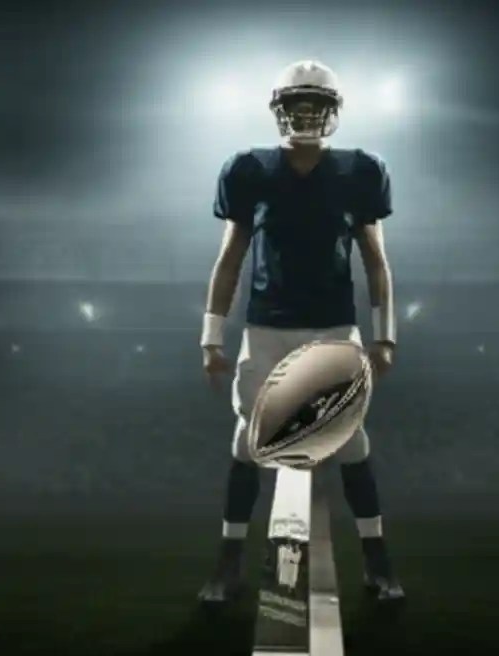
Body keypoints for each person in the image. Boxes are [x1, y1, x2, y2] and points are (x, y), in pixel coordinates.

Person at [197, 59, 405, 605]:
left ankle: (377, 560)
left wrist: (385, 335)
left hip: (334, 327)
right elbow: (230, 257)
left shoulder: (360, 170)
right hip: (267, 327)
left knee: (350, 440)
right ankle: (228, 562)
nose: (306, 114)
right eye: (297, 104)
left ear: (333, 110)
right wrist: (210, 335)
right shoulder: (248, 169)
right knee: (249, 441)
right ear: (279, 109)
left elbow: (376, 261)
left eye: (316, 105)